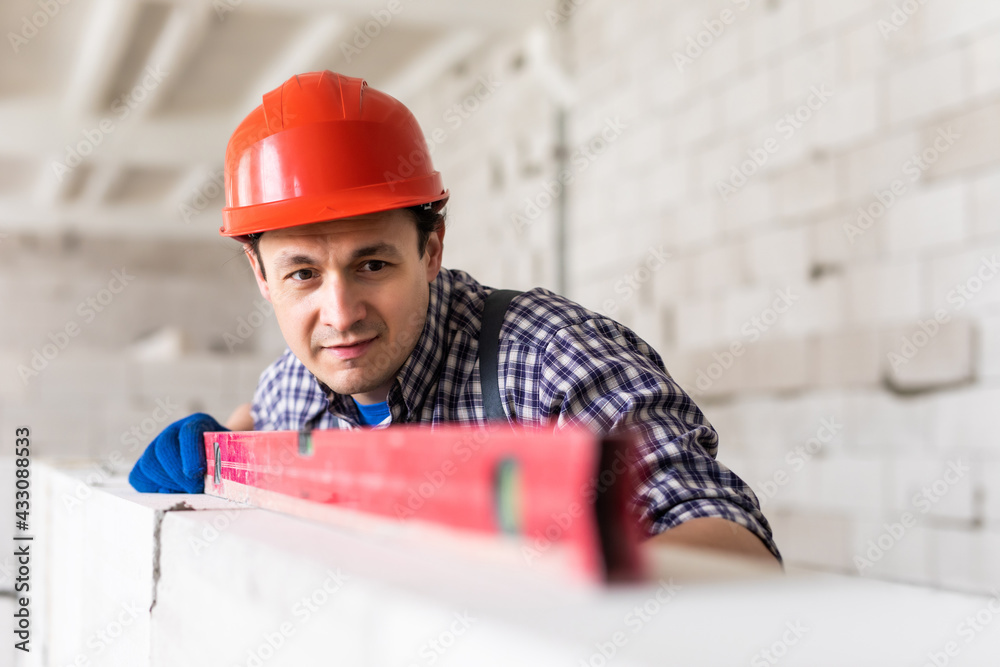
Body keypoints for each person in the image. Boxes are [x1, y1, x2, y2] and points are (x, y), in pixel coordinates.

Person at [129, 71, 781, 568]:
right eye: (303, 274)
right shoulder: (289, 387)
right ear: (261, 276)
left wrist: (544, 593)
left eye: (372, 265)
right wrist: (218, 451)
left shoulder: (548, 359)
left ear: (431, 249)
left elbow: (739, 553)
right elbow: (264, 412)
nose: (341, 314)